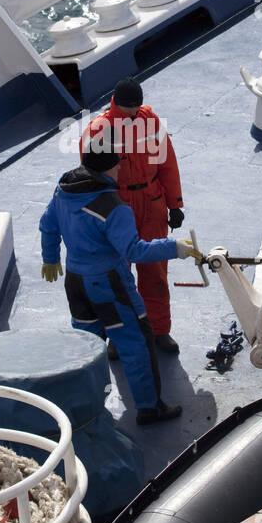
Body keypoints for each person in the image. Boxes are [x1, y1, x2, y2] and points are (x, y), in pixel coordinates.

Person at [39, 139, 200, 424]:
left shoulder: (63, 190)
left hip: (75, 282)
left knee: (86, 345)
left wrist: (51, 258)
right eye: (118, 164)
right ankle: (150, 408)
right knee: (136, 342)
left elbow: (48, 225)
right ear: (110, 168)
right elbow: (133, 251)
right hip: (108, 285)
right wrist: (175, 248)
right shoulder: (114, 208)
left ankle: (84, 408)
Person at [82, 78, 185, 356]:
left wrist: (175, 204)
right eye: (130, 109)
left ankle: (160, 331)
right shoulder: (98, 131)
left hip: (152, 204)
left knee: (155, 273)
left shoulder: (150, 122)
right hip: (118, 208)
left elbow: (167, 164)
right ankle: (120, 336)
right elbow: (90, 177)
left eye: (137, 108)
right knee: (117, 275)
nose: (133, 114)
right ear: (117, 103)